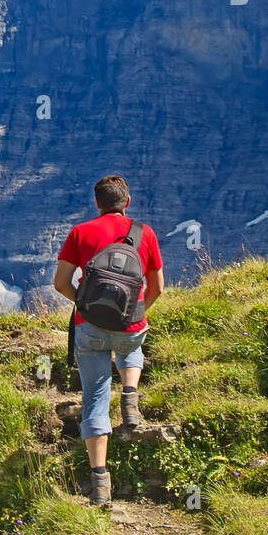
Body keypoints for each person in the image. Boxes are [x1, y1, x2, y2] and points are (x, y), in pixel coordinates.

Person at [53, 174, 164, 505]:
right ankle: (130, 400)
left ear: (97, 203)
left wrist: (85, 306)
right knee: (132, 344)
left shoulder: (80, 232)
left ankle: (100, 483)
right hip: (131, 327)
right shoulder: (145, 234)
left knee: (95, 399)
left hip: (90, 329)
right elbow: (158, 285)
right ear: (127, 202)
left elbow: (60, 283)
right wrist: (136, 312)